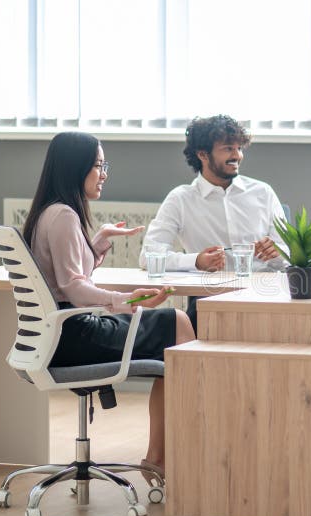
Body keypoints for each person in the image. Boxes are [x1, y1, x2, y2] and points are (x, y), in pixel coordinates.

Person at [23, 131, 195, 485]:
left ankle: (160, 456)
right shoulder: (64, 217)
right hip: (74, 335)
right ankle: (164, 457)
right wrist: (126, 301)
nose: (104, 173)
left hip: (55, 336)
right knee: (177, 323)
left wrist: (98, 242)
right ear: (77, 167)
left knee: (172, 332)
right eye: (99, 165)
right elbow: (74, 287)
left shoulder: (49, 212)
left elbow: (67, 278)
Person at [140, 114, 288, 329]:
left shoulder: (263, 192)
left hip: (262, 297)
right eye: (228, 148)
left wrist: (278, 252)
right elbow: (148, 256)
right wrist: (196, 261)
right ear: (202, 154)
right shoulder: (180, 199)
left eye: (240, 148)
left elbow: (289, 256)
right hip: (208, 301)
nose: (237, 155)